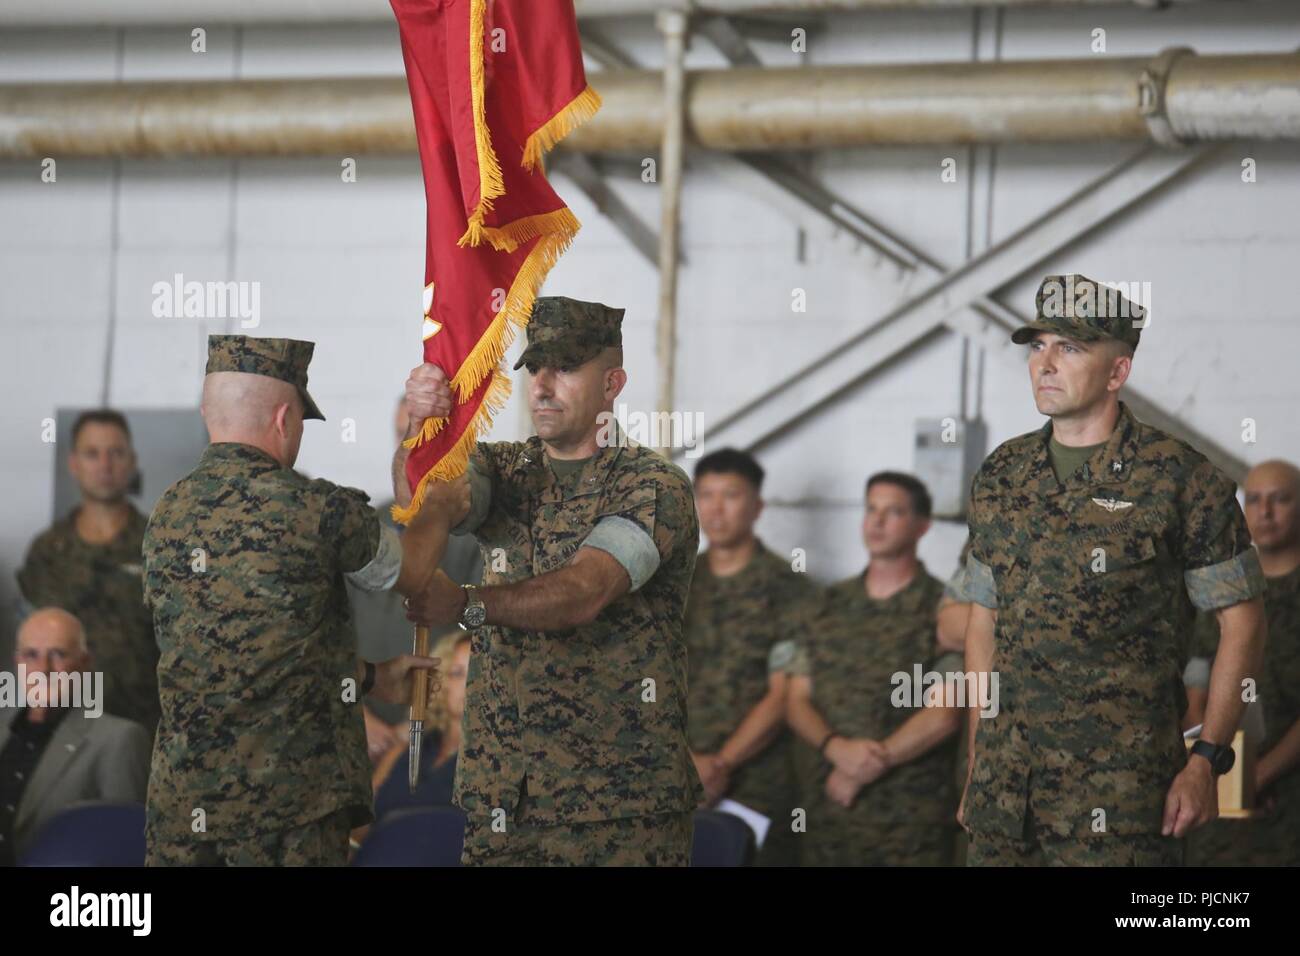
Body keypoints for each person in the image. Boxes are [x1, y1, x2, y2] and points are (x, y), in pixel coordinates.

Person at [960, 274, 1268, 866]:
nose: (1045, 364)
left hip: (1122, 803)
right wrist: (982, 744)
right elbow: (983, 617)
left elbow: (1243, 623)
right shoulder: (1003, 473)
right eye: (1038, 346)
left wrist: (1207, 760)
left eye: (1069, 348)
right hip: (1006, 799)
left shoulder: (1180, 479)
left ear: (1117, 371)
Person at [401, 296, 703, 866]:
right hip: (502, 798)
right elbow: (429, 499)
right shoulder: (503, 469)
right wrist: (423, 435)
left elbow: (584, 592)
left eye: (564, 369)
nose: (541, 385)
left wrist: (465, 604)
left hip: (617, 807)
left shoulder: (652, 486)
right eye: (533, 368)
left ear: (612, 382)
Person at [142, 335, 452, 867]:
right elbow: (414, 573)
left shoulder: (165, 516)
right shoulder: (317, 511)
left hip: (182, 808)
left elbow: (243, 656)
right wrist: (440, 504)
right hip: (288, 814)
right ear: (285, 418)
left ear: (207, 412)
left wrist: (373, 678)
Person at [786, 472, 962, 865]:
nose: (877, 522)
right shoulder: (825, 605)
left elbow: (945, 711)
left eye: (894, 511)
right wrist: (836, 748)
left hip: (908, 822)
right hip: (829, 815)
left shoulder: (943, 610)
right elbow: (796, 700)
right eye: (871, 509)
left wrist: (867, 763)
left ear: (922, 526)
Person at [684, 448, 814, 866]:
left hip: (756, 784)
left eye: (731, 495)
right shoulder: (676, 584)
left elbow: (786, 695)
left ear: (757, 506)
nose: (716, 509)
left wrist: (720, 764)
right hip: (675, 774)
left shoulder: (789, 588)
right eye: (706, 495)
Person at [1185, 459, 1300, 865]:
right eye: (1254, 500)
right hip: (1219, 778)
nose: (1265, 512)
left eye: (1280, 500)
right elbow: (1198, 673)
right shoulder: (1227, 583)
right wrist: (1201, 754)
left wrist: (1261, 775)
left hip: (1287, 795)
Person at [17, 410, 160, 735]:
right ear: (73, 464)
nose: (105, 465)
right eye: (92, 453)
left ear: (132, 461)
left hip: (140, 729)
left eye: (116, 453)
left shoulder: (159, 544)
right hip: (60, 732)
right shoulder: (47, 551)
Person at [350, 395, 482, 737]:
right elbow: (331, 633)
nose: (413, 450)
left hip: (445, 731)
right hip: (365, 731)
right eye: (403, 436)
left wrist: (435, 721)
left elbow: (485, 639)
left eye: (425, 438)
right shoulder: (363, 526)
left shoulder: (477, 537)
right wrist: (358, 711)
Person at [0, 608, 150, 865]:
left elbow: (127, 852)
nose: (43, 669)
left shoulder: (119, 740)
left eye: (58, 654)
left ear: (84, 662)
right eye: (31, 655)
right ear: (17, 663)